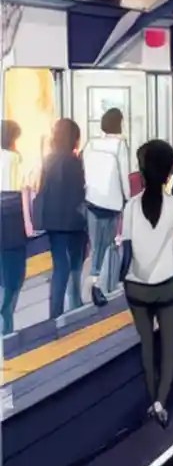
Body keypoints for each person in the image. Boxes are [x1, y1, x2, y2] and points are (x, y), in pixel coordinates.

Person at [120, 139, 173, 428]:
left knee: (146, 345)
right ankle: (160, 402)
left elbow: (125, 251)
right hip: (168, 286)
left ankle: (151, 396)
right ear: (169, 173)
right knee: (168, 346)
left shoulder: (130, 207)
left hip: (136, 288)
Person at [34, 118, 88, 319]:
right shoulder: (74, 162)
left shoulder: (48, 160)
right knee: (74, 264)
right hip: (73, 222)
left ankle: (55, 312)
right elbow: (79, 193)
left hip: (53, 222)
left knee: (60, 265)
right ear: (74, 138)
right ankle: (74, 305)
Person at [82, 107, 131, 306]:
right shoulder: (120, 146)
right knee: (110, 244)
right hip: (112, 204)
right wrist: (127, 198)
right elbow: (124, 175)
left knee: (96, 247)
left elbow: (86, 171)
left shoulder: (90, 144)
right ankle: (103, 285)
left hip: (92, 201)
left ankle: (94, 282)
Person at [0, 120, 31, 334]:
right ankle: (6, 315)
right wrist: (29, 223)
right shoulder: (15, 158)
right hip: (12, 214)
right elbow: (24, 191)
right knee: (16, 272)